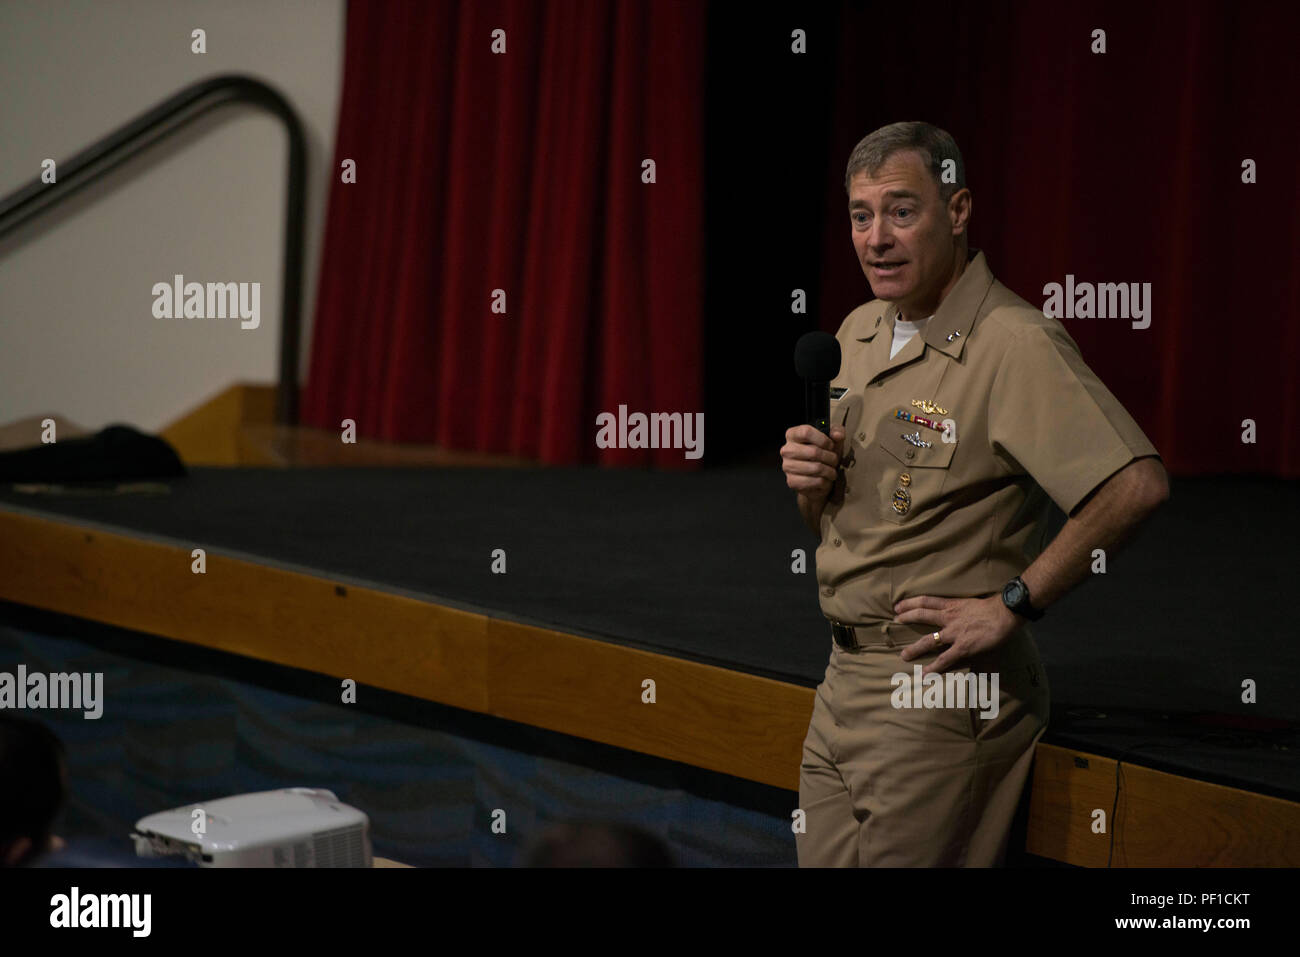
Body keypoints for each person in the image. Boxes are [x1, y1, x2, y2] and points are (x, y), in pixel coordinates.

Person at [780, 121, 1169, 866]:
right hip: (840, 682)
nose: (876, 239)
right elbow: (829, 526)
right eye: (861, 216)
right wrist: (812, 484)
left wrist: (1015, 603)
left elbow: (1136, 483)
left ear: (957, 212)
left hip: (936, 695)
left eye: (902, 210)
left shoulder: (1013, 343)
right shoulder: (858, 332)